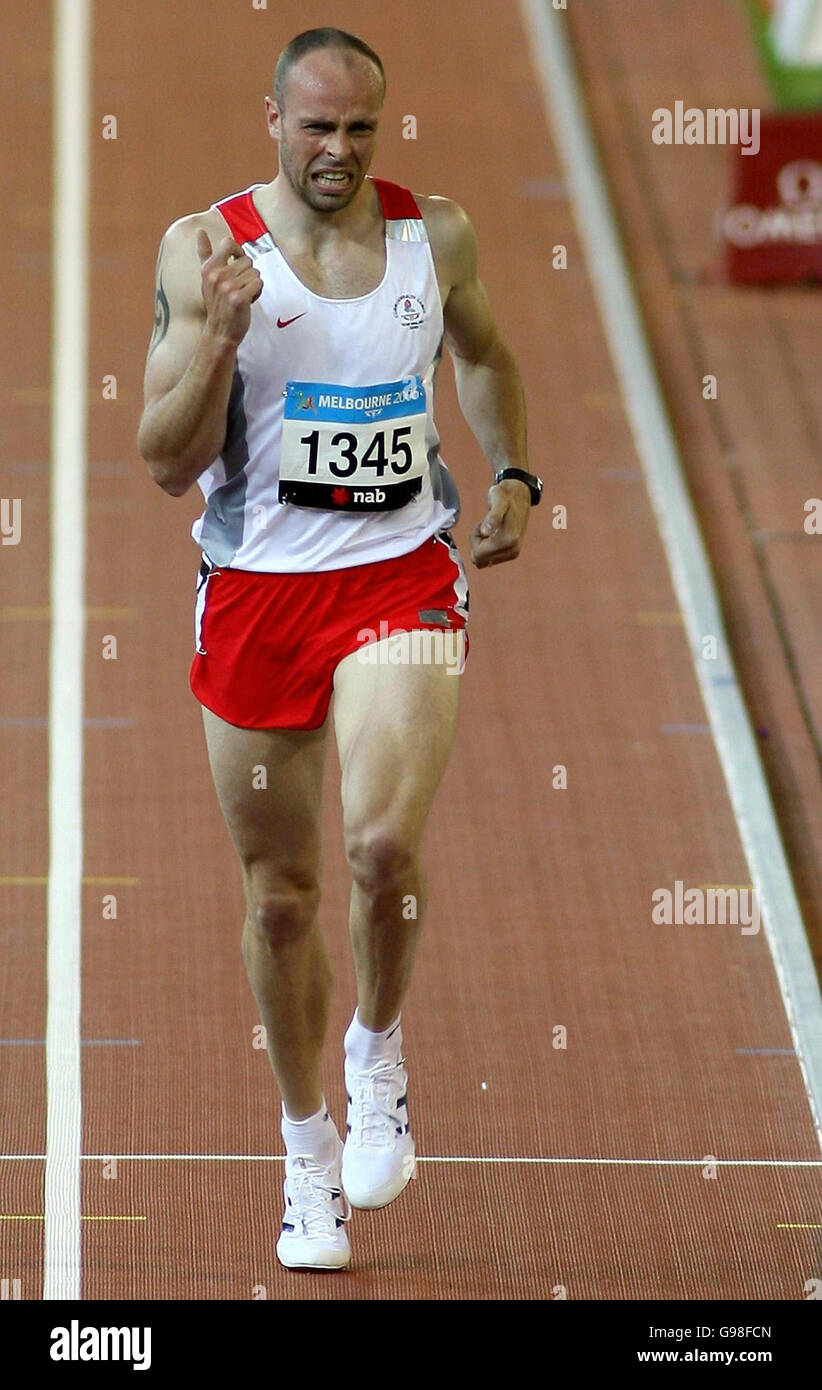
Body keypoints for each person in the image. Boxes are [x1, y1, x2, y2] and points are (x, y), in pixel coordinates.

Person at [137, 26, 542, 1272]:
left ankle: (377, 1055)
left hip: (398, 578)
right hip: (258, 591)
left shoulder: (439, 236)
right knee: (283, 895)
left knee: (378, 844)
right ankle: (305, 1147)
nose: (339, 151)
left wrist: (515, 468)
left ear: (383, 125)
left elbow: (483, 354)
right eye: (316, 127)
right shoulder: (206, 249)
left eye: (361, 129)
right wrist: (214, 336)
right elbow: (163, 462)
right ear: (272, 121)